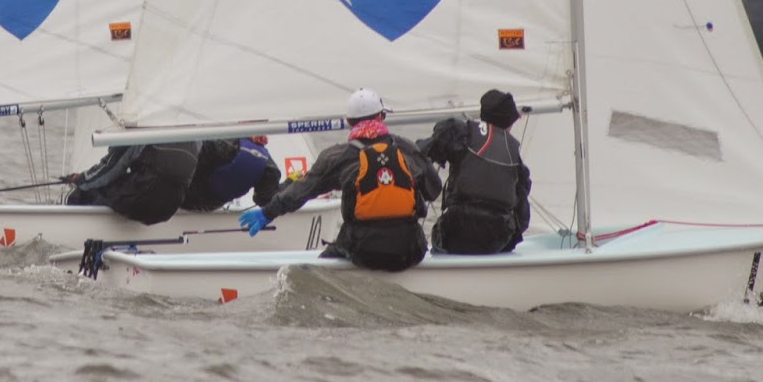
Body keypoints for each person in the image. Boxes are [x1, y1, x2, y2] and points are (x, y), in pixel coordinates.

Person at [238, 89, 441, 271]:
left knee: (320, 268)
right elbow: (434, 190)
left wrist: (267, 213)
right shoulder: (407, 149)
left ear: (349, 122)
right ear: (381, 116)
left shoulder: (336, 157)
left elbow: (300, 191)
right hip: (411, 249)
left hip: (362, 251)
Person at [421, 89, 532, 255]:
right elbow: (522, 215)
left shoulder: (461, 133)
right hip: (497, 240)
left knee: (443, 229)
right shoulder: (514, 156)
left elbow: (422, 151)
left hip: (456, 232)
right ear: (508, 123)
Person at [63, 140, 201, 224]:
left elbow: (110, 170)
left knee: (83, 193)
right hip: (173, 204)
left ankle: (70, 231)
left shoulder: (141, 125)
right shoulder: (193, 135)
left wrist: (81, 179)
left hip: (143, 197)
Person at [180, 136, 281, 213]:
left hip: (184, 190)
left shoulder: (226, 143)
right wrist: (290, 183)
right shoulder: (269, 165)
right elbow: (265, 199)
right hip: (204, 205)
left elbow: (197, 156)